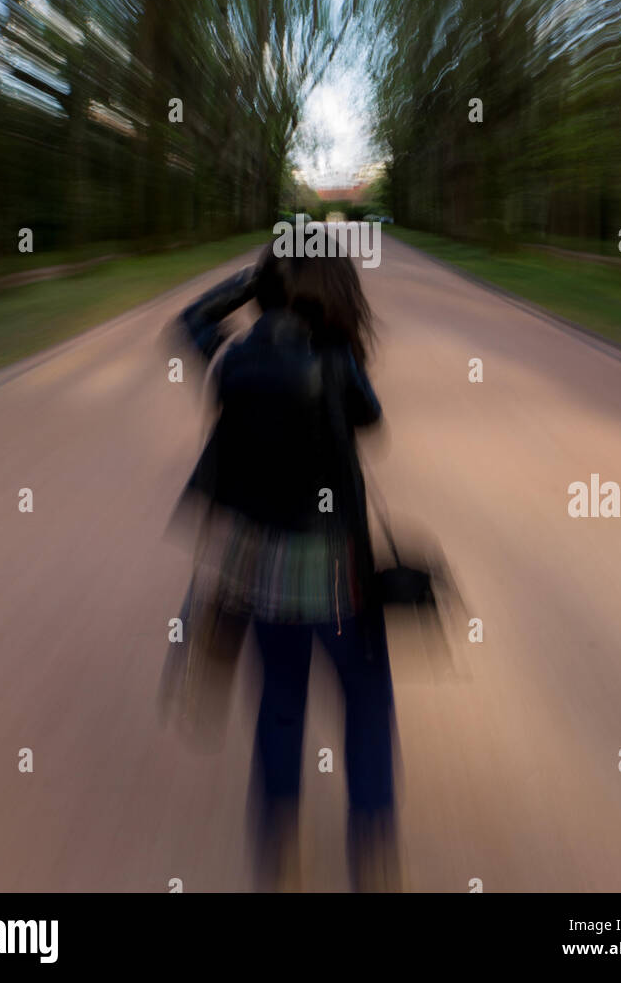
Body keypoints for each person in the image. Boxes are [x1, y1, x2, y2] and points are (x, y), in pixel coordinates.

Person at [167, 238, 401, 892]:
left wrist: (257, 278)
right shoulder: (336, 359)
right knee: (367, 705)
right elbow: (372, 421)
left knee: (279, 705)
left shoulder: (234, 359)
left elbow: (189, 320)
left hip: (256, 571)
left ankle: (282, 861)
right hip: (335, 573)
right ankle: (375, 864)